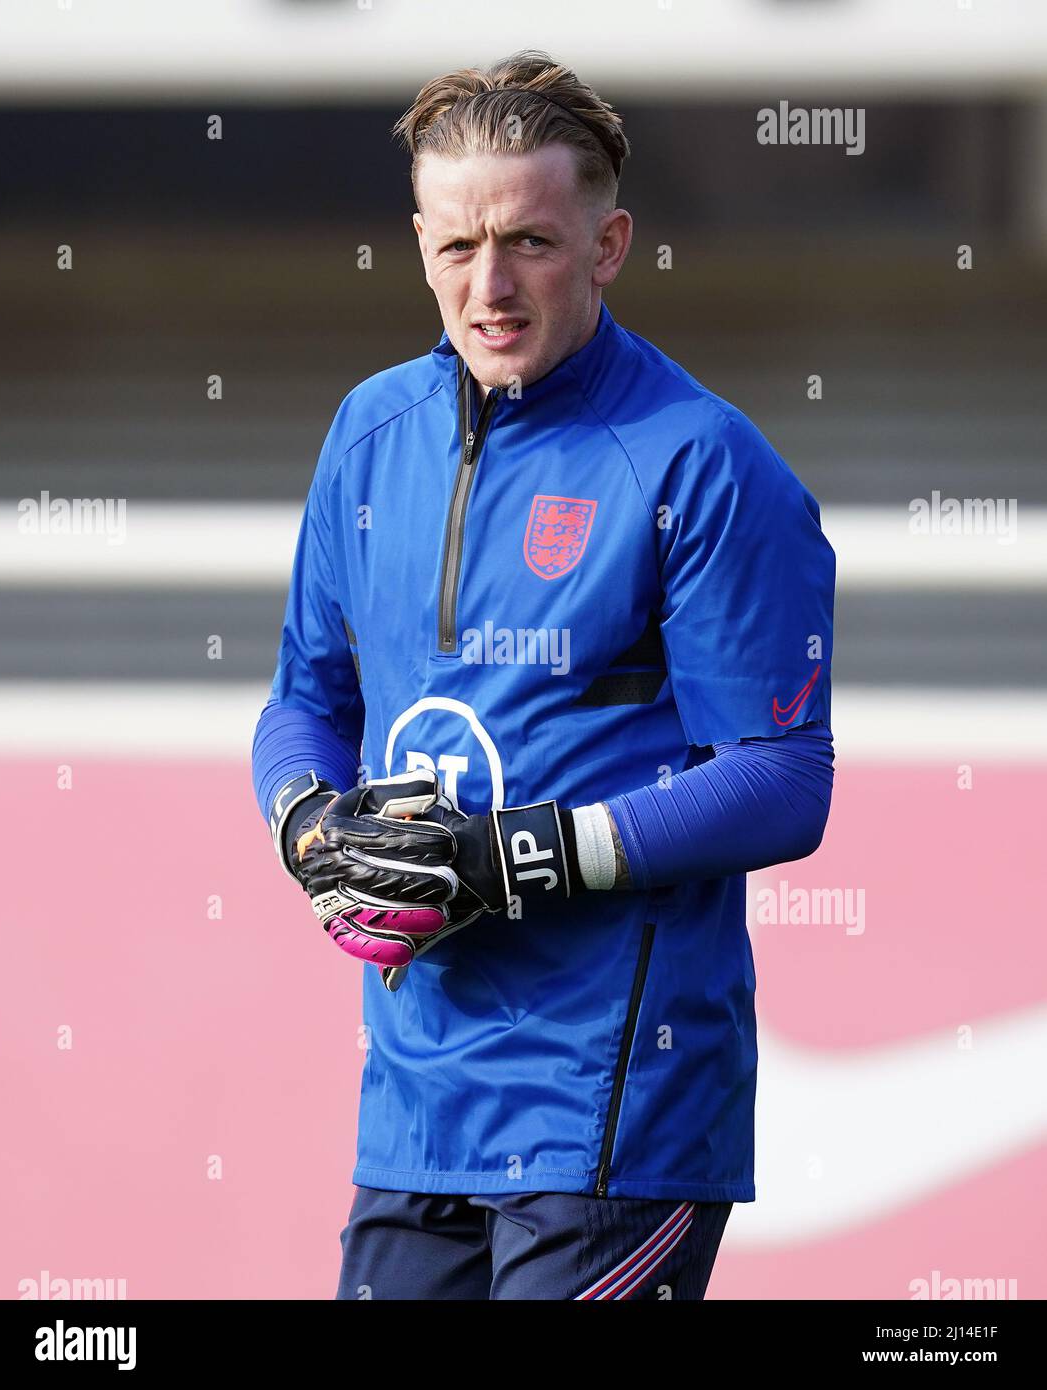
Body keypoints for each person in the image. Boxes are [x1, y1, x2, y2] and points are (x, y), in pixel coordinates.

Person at [252, 49, 836, 1301]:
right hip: (417, 1093)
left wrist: (519, 853)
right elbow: (306, 698)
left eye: (530, 241)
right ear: (417, 243)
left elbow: (786, 779)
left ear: (610, 242)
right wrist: (309, 821)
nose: (490, 285)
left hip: (614, 1105)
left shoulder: (703, 462)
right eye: (457, 246)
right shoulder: (369, 431)